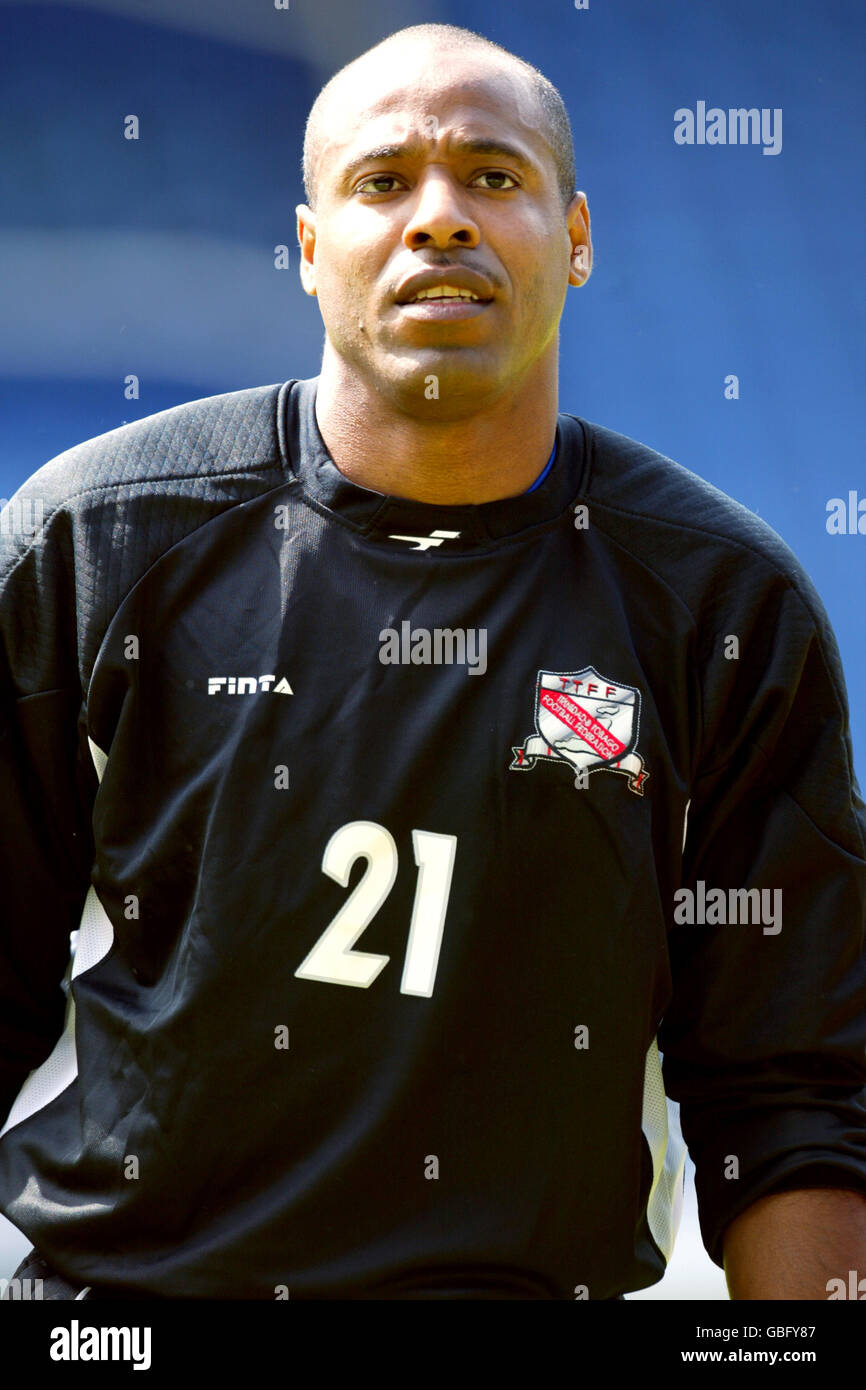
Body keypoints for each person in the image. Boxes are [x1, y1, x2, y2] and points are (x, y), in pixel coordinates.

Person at [1, 22, 864, 1302]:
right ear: (308, 250)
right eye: (383, 181)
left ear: (576, 237)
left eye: (493, 176)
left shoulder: (717, 600)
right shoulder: (97, 541)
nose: (440, 219)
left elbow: (794, 1095)